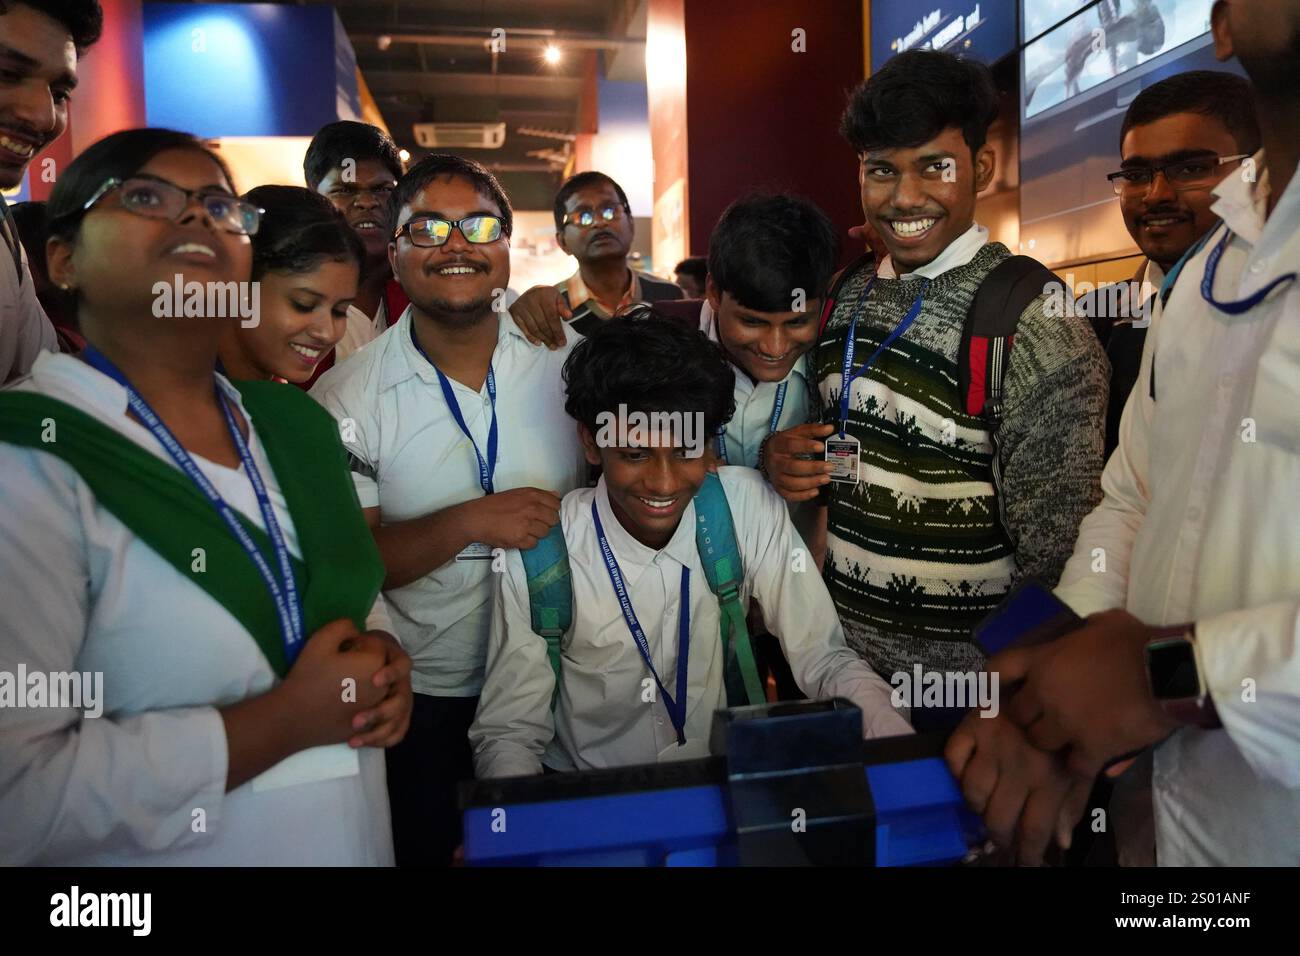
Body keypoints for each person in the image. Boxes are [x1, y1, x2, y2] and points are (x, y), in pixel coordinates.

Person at [0, 127, 411, 865]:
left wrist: (384, 660)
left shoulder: (299, 428)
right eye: (148, 197)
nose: (197, 220)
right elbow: (17, 800)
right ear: (63, 260)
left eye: (223, 208)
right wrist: (283, 722)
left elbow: (352, 597)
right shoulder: (30, 457)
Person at [953, 0, 1300, 867]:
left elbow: (1151, 673)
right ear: (1223, 24)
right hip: (1164, 826)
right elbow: (1133, 497)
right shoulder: (1215, 270)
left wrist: (1168, 679)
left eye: (1184, 167)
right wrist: (1059, 692)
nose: (1154, 195)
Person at [765, 50, 1109, 727]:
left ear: (980, 168)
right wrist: (784, 460)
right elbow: (837, 459)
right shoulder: (847, 293)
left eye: (934, 166)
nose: (905, 197)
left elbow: (1066, 559)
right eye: (881, 170)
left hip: (970, 702)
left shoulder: (1033, 320)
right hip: (837, 674)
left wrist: (1002, 710)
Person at [469, 316, 911, 777]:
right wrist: (517, 831)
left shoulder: (745, 507)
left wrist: (898, 749)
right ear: (591, 443)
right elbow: (510, 734)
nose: (663, 483)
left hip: (719, 784)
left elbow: (824, 658)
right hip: (589, 795)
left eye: (685, 451)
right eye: (635, 454)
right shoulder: (543, 552)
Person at [310, 153, 587, 865]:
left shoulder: (571, 363)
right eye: (428, 227)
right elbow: (356, 566)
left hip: (568, 676)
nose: (456, 244)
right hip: (428, 694)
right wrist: (469, 519)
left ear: (506, 248)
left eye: (478, 226)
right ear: (394, 253)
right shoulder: (345, 397)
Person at [1078, 70, 1260, 456]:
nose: (1156, 194)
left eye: (1190, 168)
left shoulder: (1282, 309)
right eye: (1136, 175)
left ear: (1254, 170)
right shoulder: (1085, 324)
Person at [0, 0, 102, 384]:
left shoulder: (4, 231)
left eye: (59, 93)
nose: (43, 116)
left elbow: (43, 377)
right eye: (7, 73)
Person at [510, 171, 682, 344]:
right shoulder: (549, 311)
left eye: (609, 211)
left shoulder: (669, 295)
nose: (599, 223)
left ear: (630, 223)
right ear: (562, 241)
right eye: (583, 216)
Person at [217, 185, 364, 384]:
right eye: (303, 305)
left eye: (340, 311)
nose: (327, 333)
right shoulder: (175, 400)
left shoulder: (282, 402)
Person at [301, 120, 407, 384]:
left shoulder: (423, 294)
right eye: (345, 190)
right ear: (315, 200)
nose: (367, 202)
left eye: (382, 190)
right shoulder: (283, 298)